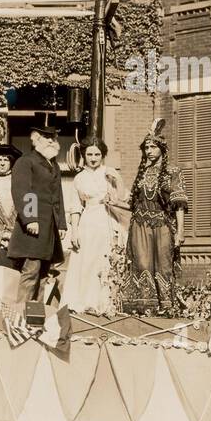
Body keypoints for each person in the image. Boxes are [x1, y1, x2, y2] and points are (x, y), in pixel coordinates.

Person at [121, 119, 188, 316]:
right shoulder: (142, 173)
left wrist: (180, 232)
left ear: (162, 148)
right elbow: (132, 205)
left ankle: (166, 306)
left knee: (164, 264)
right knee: (141, 263)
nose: (149, 151)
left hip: (163, 225)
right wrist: (111, 201)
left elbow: (179, 204)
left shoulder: (172, 172)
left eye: (153, 147)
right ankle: (144, 307)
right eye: (146, 147)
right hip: (140, 225)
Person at [7, 114, 68, 303]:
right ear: (36, 140)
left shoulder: (54, 165)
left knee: (44, 273)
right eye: (46, 137)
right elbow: (25, 191)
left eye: (53, 138)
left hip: (49, 228)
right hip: (33, 226)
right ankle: (20, 314)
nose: (51, 141)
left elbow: (57, 196)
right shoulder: (26, 161)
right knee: (31, 270)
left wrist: (61, 224)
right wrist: (30, 218)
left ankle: (37, 314)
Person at [62, 137, 123, 315]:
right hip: (88, 221)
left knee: (104, 259)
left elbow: (122, 198)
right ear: (84, 155)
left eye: (97, 154)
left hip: (107, 219)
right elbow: (75, 206)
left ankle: (103, 303)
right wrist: (74, 231)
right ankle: (82, 301)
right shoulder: (79, 178)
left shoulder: (110, 173)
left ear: (103, 155)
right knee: (86, 260)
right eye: (89, 154)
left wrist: (116, 182)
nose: (93, 158)